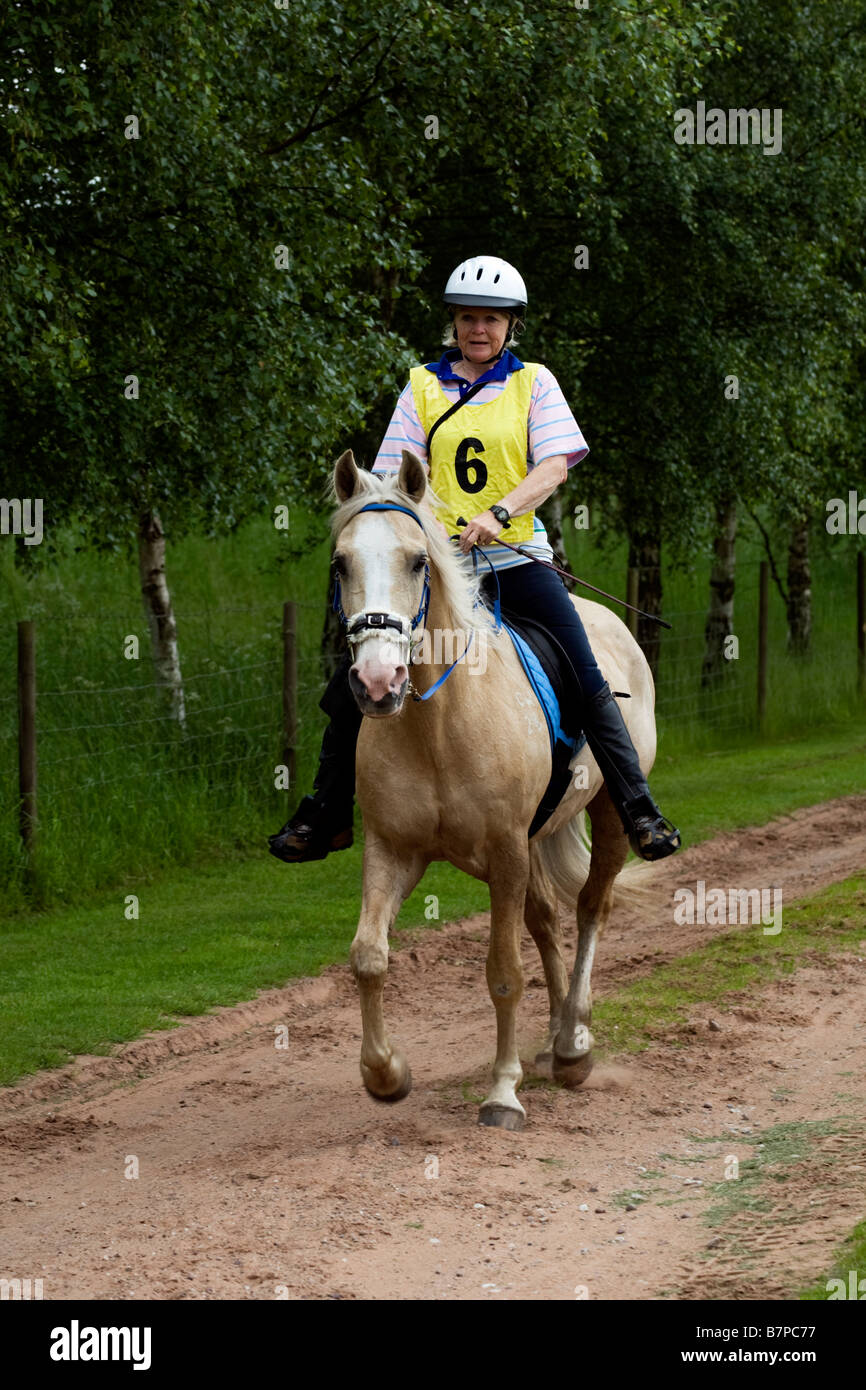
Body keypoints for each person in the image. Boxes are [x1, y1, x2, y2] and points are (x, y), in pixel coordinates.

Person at [269, 255, 680, 863]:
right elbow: (392, 478)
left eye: (491, 319)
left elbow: (555, 464)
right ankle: (325, 814)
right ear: (454, 324)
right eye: (467, 319)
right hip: (439, 573)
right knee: (352, 683)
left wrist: (500, 513)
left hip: (515, 562)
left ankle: (637, 806)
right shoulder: (423, 386)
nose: (478, 329)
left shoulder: (534, 383)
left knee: (585, 671)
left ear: (510, 326)